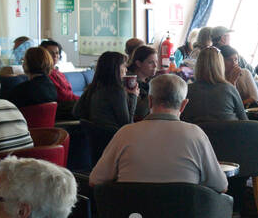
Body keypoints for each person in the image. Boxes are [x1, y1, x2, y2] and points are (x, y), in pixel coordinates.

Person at [89, 73, 229, 192]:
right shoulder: (196, 135)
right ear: (184, 104)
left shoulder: (125, 133)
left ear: (149, 101)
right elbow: (221, 186)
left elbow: (95, 180)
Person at [181, 46, 248, 124]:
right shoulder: (230, 89)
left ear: (198, 65)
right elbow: (244, 121)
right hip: (227, 134)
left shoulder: (186, 90)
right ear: (221, 65)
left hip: (196, 135)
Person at [76, 50, 138, 131]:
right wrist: (133, 96)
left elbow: (76, 111)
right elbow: (127, 125)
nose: (126, 70)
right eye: (124, 66)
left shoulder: (93, 87)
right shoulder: (117, 91)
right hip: (115, 139)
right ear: (115, 68)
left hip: (96, 140)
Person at [39, 39, 77, 116]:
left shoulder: (59, 73)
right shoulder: (45, 74)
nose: (55, 56)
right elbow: (62, 96)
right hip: (59, 107)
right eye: (51, 53)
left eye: (57, 53)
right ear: (44, 55)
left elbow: (69, 93)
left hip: (69, 104)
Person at [127, 44, 159, 119]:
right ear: (138, 63)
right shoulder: (130, 83)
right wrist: (156, 90)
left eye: (156, 62)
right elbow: (140, 113)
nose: (155, 66)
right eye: (151, 62)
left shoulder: (148, 80)